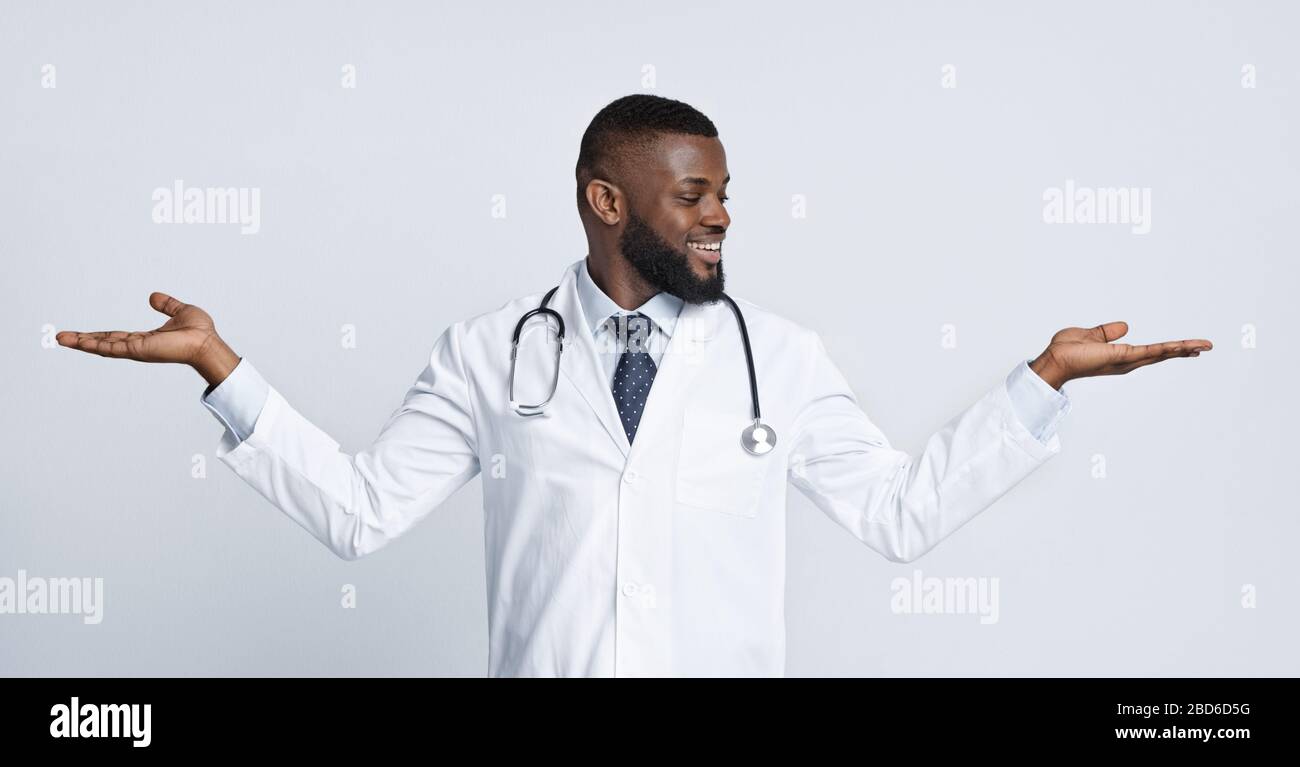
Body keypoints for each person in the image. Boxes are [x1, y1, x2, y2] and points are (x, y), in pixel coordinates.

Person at [56, 94, 1212, 677]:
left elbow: (898, 515)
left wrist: (1043, 380)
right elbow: (360, 514)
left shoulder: (782, 354)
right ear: (606, 202)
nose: (719, 217)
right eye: (692, 195)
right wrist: (222, 368)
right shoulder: (487, 351)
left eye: (723, 194)